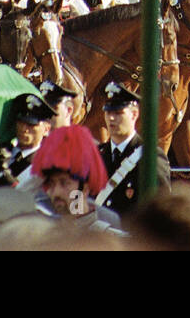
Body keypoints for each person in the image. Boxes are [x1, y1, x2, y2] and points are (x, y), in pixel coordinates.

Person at [30, 124, 122, 234]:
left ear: (85, 187)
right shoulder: (39, 231)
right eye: (51, 183)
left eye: (64, 183)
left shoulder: (109, 232)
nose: (56, 192)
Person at [97, 81, 171, 216]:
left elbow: (163, 209)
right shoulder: (95, 155)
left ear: (134, 114)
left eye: (118, 112)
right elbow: (78, 198)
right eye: (108, 112)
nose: (111, 118)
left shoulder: (150, 157)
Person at [0, 93, 55, 188]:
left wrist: (8, 180)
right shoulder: (0, 152)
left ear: (46, 129)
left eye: (31, 124)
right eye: (21, 122)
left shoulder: (45, 166)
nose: (24, 129)